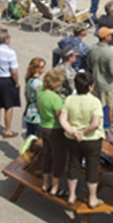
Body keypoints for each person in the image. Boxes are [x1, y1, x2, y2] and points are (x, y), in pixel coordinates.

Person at [60, 71, 105, 208]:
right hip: (91, 139)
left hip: (72, 139)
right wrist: (83, 132)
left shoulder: (69, 100)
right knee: (92, 168)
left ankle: (72, 194)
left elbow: (62, 119)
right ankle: (93, 197)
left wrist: (73, 132)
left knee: (73, 165)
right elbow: (95, 123)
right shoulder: (95, 101)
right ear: (90, 86)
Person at [37, 68, 68, 196]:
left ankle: (46, 183)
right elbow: (60, 116)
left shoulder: (40, 93)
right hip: (55, 130)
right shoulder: (55, 98)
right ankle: (55, 186)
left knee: (47, 154)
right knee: (58, 158)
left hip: (43, 126)